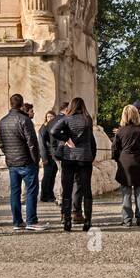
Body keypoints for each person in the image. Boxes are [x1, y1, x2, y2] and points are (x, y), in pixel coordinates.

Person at [48, 97, 97, 232]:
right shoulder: (87, 119)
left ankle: (67, 221)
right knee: (86, 189)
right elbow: (91, 140)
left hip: (69, 157)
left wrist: (67, 139)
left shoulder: (66, 119)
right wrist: (92, 155)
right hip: (84, 157)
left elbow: (53, 131)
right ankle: (87, 221)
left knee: (67, 190)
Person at [0, 95, 43, 231]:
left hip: (12, 162)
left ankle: (17, 221)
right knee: (31, 192)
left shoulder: (2, 121)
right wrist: (36, 159)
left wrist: (9, 156)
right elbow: (32, 143)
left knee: (15, 193)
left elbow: (1, 144)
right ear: (22, 104)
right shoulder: (25, 120)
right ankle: (31, 220)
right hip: (26, 161)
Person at [112, 104, 140, 227]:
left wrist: (118, 158)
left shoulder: (120, 131)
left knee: (126, 193)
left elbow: (114, 149)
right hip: (138, 161)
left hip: (124, 162)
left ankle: (127, 219)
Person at [38, 109, 59, 205]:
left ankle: (50, 194)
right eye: (48, 117)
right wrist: (44, 158)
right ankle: (44, 195)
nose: (50, 118)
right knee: (47, 176)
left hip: (54, 155)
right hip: (48, 155)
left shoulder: (55, 127)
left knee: (52, 176)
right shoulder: (44, 128)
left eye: (52, 117)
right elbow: (42, 144)